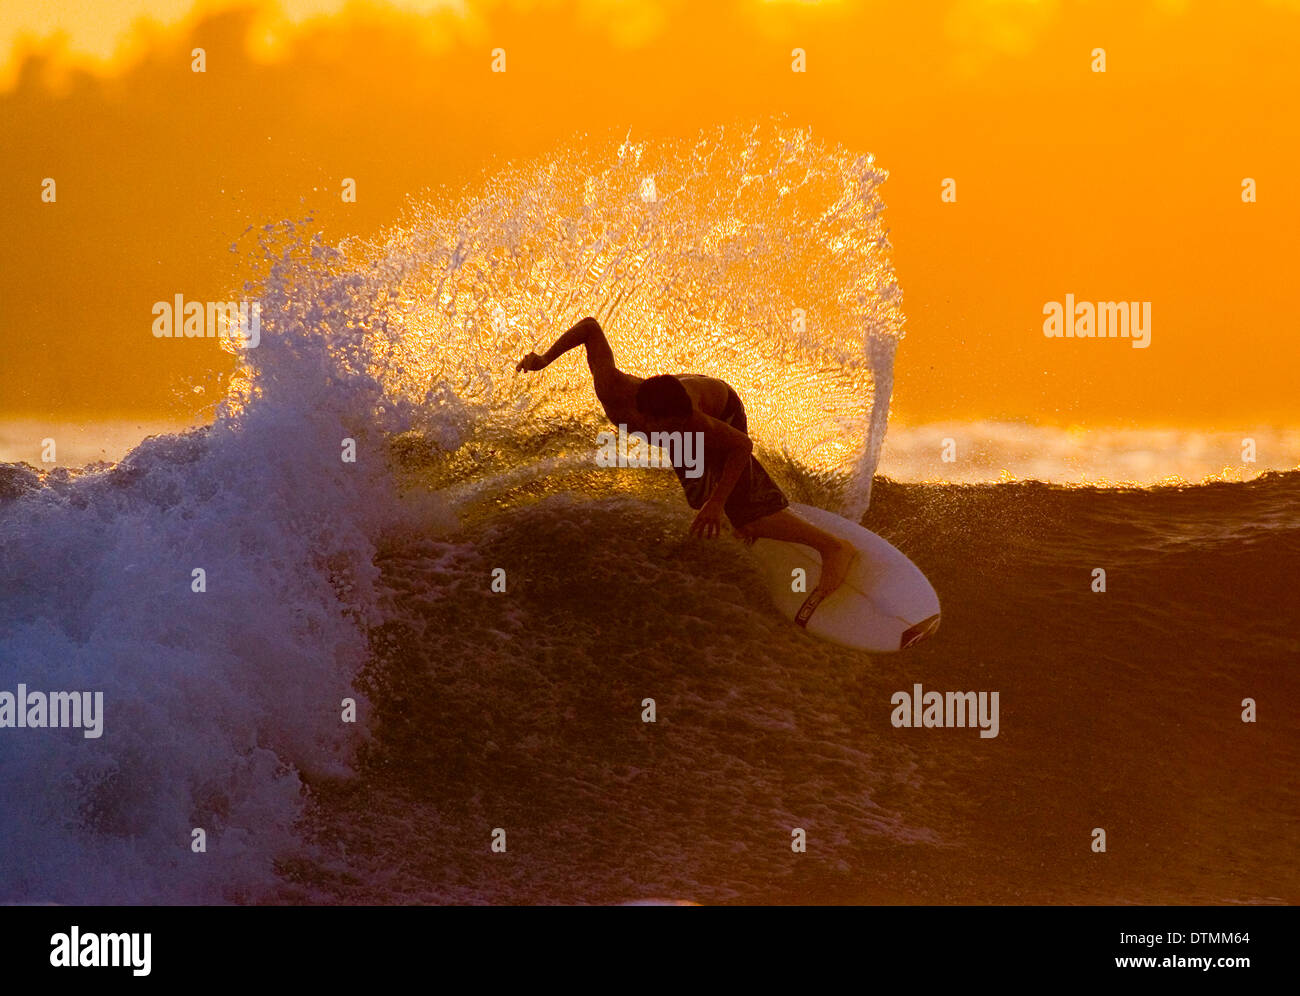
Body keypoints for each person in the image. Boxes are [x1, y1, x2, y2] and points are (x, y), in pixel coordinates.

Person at [516, 316, 858, 609]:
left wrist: (718, 501)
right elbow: (590, 328)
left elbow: (741, 445)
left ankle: (831, 547)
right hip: (678, 397)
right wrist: (545, 359)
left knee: (734, 505)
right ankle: (743, 518)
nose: (675, 433)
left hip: (724, 409)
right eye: (670, 428)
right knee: (698, 499)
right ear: (646, 416)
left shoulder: (696, 421)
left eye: (680, 427)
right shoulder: (611, 387)